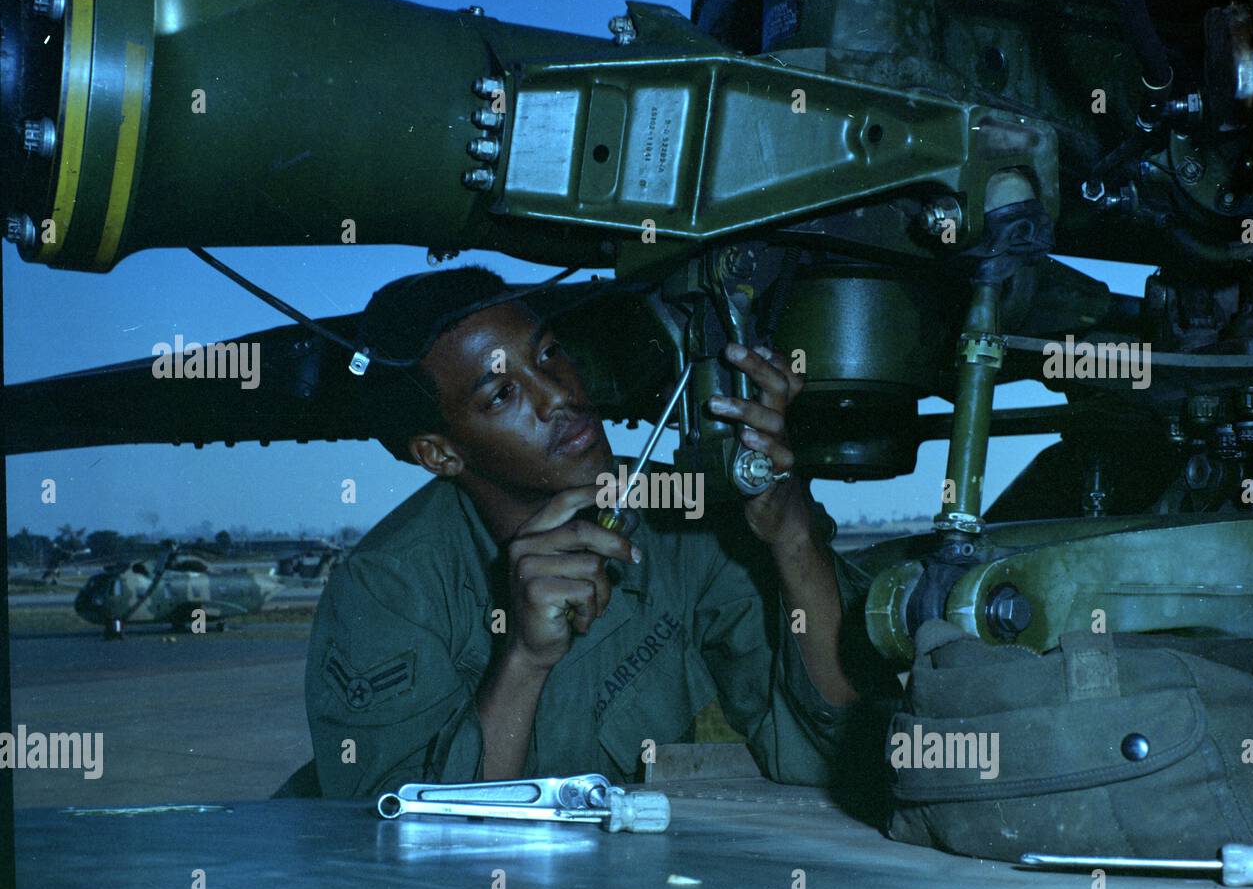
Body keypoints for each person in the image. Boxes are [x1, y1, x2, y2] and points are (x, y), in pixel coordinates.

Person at [305, 266, 902, 799]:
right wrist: (525, 659)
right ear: (440, 453)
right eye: (502, 393)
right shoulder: (387, 588)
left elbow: (838, 752)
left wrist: (792, 535)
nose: (560, 395)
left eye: (548, 356)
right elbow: (401, 847)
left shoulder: (680, 520)